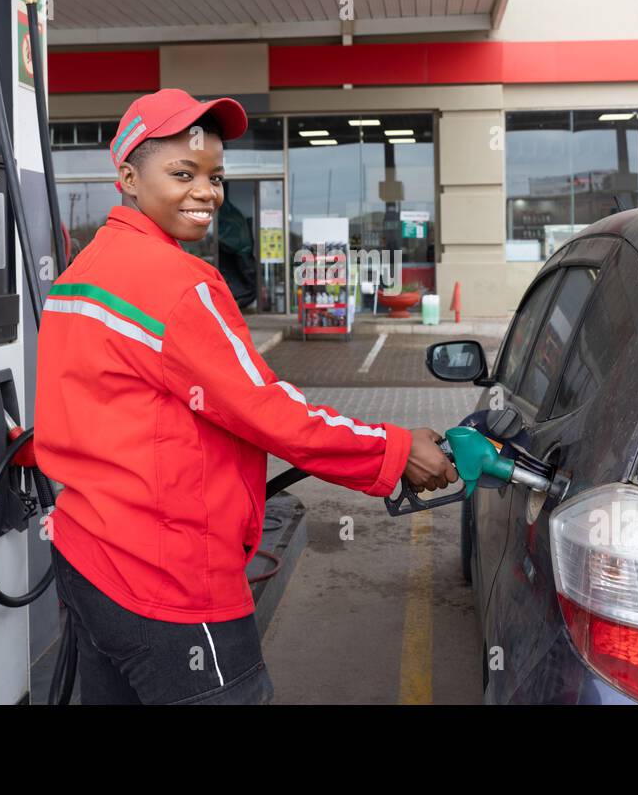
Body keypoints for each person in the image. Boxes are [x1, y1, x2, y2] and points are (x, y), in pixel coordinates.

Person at [34, 88, 458, 704]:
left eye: (215, 175)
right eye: (183, 173)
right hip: (171, 586)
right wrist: (393, 451)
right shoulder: (178, 285)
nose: (207, 192)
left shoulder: (78, 278)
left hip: (87, 562)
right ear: (127, 175)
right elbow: (271, 413)